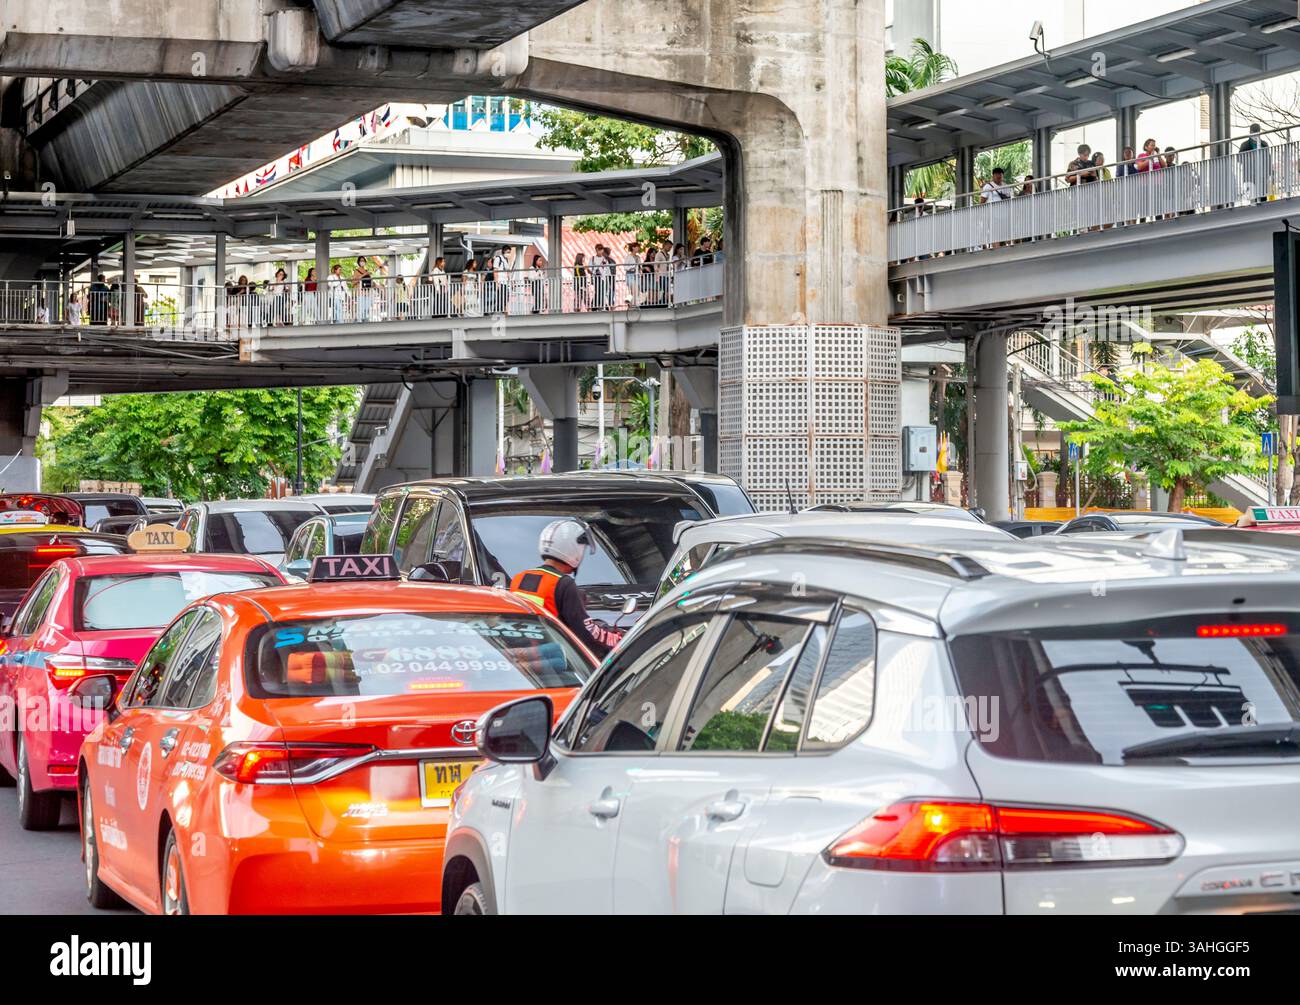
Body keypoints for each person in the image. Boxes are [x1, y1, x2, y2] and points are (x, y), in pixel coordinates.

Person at [509, 520, 624, 658]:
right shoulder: (563, 583)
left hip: (520, 654)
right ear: (573, 548)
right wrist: (617, 639)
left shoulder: (519, 578)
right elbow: (586, 633)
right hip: (551, 658)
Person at [1240, 123, 1271, 204]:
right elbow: (1239, 159)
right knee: (1252, 200)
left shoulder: (1264, 144)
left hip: (1262, 176)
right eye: (1254, 132)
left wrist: (1270, 174)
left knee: (1263, 199)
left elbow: (1268, 159)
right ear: (1250, 132)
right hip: (1250, 177)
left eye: (1257, 132)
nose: (1255, 134)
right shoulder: (1245, 145)